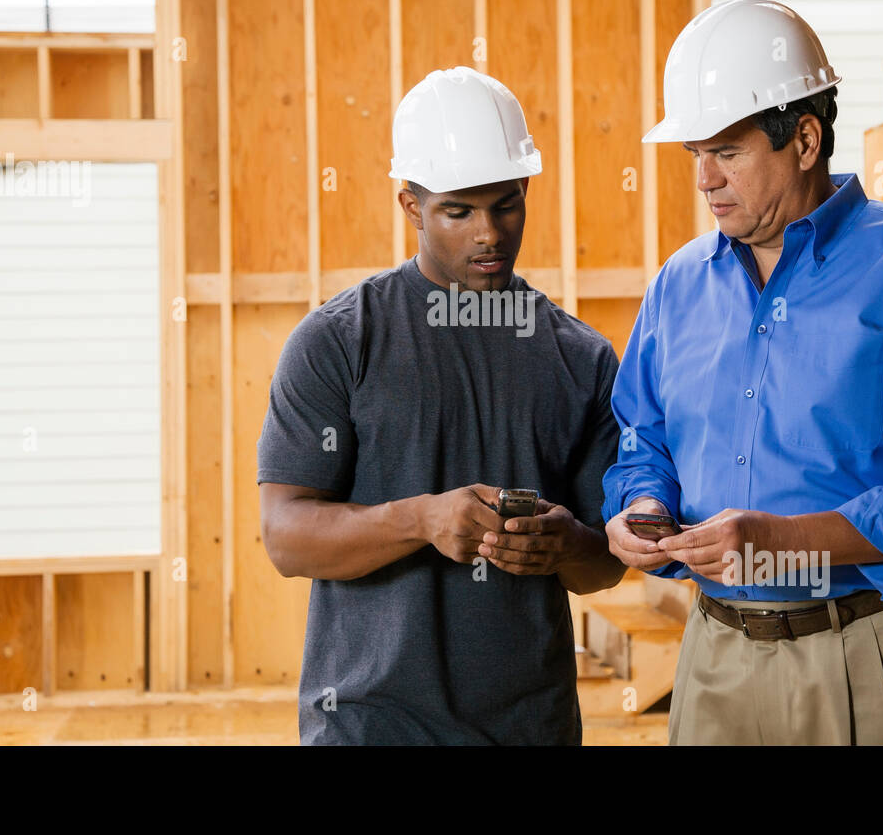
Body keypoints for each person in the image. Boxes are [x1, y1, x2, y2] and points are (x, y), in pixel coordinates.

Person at [602, 0, 883, 745]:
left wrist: (787, 539)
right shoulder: (678, 284)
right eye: (694, 153)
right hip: (716, 661)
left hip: (875, 650)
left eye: (727, 152)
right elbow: (644, 437)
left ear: (803, 139)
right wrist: (640, 505)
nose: (704, 179)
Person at [257, 66, 626, 745]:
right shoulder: (339, 342)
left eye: (507, 204)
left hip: (529, 729)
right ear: (411, 207)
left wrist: (563, 543)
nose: (488, 233)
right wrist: (421, 519)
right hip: (370, 727)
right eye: (459, 210)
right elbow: (285, 536)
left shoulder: (582, 359)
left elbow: (603, 563)